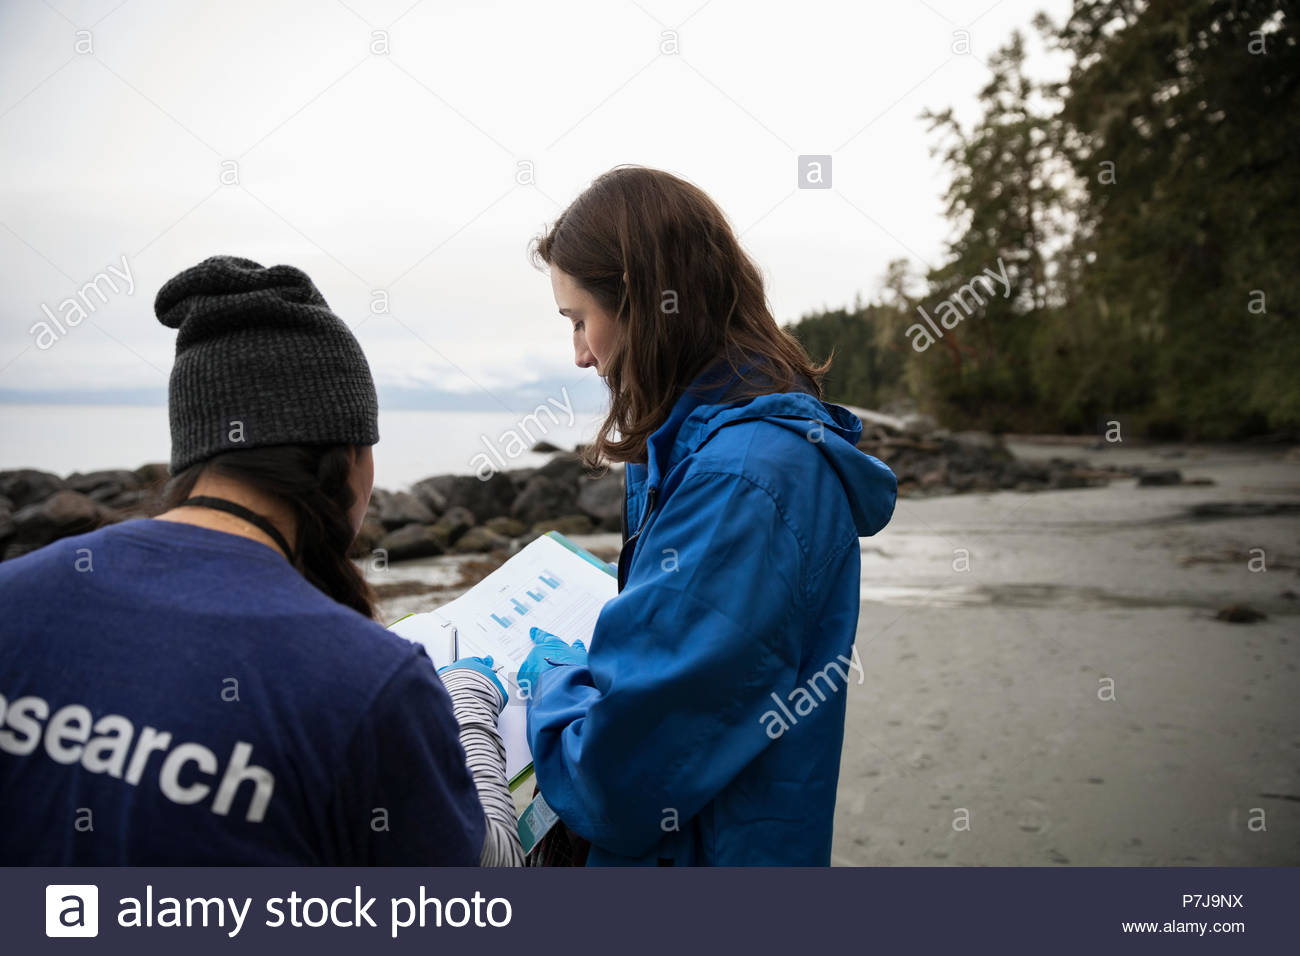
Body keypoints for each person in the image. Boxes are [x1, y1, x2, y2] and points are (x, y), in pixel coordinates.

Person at [0, 256, 522, 865]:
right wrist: (468, 705)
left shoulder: (16, 596)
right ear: (350, 455)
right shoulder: (371, 684)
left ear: (194, 454)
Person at [518, 167, 898, 866]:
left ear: (637, 300)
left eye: (580, 321)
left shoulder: (740, 482)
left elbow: (619, 779)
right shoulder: (702, 450)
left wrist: (549, 677)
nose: (578, 354)